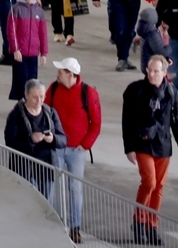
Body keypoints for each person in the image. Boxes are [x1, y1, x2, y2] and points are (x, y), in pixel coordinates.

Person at [122, 54, 178, 245]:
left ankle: (152, 226)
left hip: (163, 146)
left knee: (159, 188)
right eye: (149, 70)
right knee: (149, 182)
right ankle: (139, 222)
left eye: (156, 71)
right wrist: (129, 147)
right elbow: (127, 121)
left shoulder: (170, 91)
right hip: (142, 143)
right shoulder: (135, 90)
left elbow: (176, 122)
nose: (152, 74)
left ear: (164, 72)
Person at [47, 58, 101, 244]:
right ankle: (53, 224)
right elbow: (45, 112)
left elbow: (96, 123)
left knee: (75, 188)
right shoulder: (53, 89)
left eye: (60, 71)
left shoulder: (89, 93)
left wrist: (85, 145)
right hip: (56, 146)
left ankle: (75, 227)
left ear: (71, 74)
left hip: (77, 150)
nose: (57, 74)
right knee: (52, 184)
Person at [5, 79, 66, 200]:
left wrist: (53, 139)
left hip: (47, 169)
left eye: (42, 96)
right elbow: (10, 143)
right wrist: (31, 140)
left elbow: (63, 139)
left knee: (46, 204)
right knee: (29, 201)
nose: (39, 101)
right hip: (25, 169)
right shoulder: (15, 115)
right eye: (35, 97)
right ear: (26, 95)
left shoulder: (51, 113)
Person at [6, 0, 51, 100]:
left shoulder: (39, 12)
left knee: (32, 80)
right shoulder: (16, 9)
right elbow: (11, 31)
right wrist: (15, 49)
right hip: (20, 52)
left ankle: (29, 101)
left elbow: (43, 33)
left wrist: (44, 53)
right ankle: (22, 101)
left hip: (33, 53)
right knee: (21, 78)